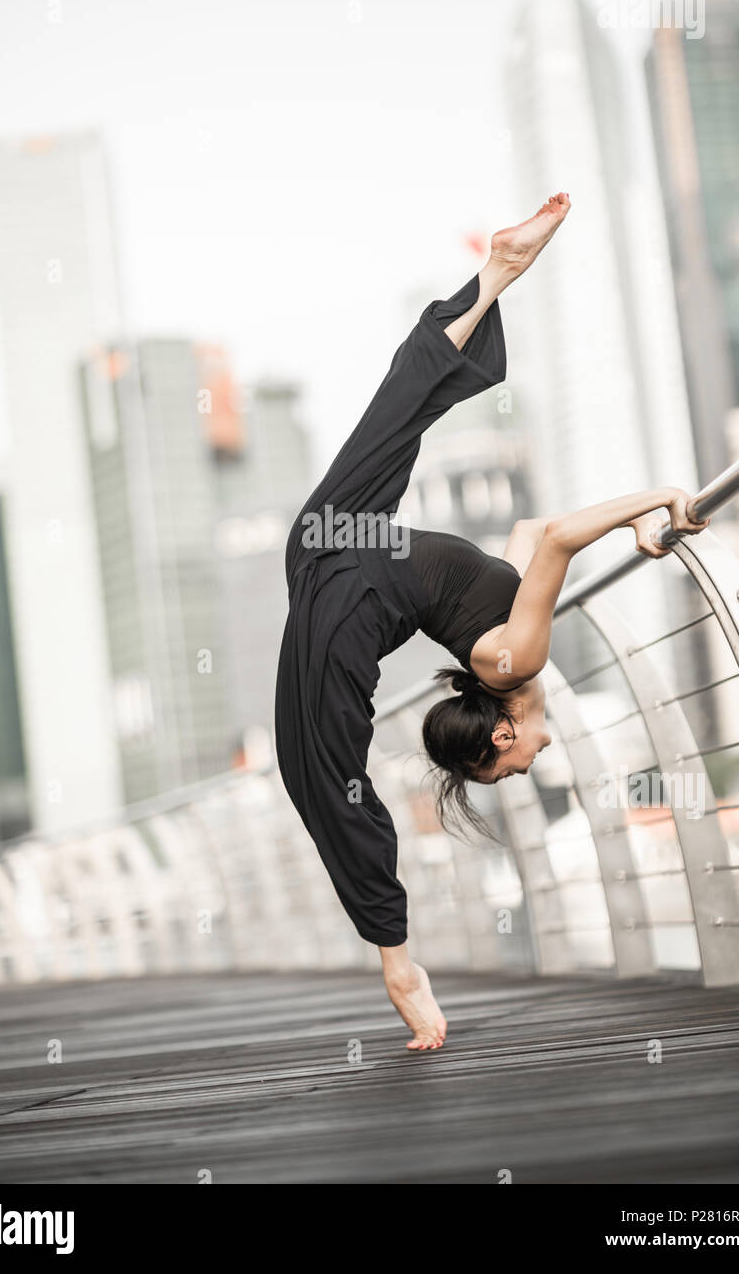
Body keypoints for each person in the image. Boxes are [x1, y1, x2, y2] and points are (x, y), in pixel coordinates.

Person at [274, 193, 707, 1050]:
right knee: (398, 407)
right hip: (332, 544)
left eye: (506, 772)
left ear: (499, 735)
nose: (529, 764)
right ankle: (488, 281)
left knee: (321, 773)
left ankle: (399, 962)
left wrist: (648, 506)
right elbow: (534, 540)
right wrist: (637, 512)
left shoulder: (512, 659)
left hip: (346, 577)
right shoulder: (501, 643)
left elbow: (544, 535)